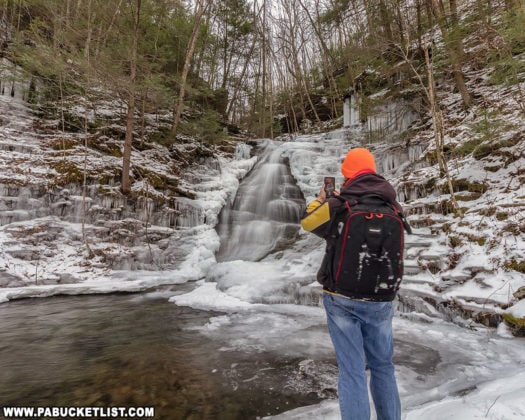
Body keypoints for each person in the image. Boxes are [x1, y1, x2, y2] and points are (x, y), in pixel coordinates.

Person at [300, 147, 402, 420]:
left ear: (347, 173)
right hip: (381, 298)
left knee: (353, 370)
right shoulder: (392, 205)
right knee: (383, 367)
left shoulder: (340, 204)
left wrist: (320, 200)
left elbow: (308, 222)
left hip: (342, 298)